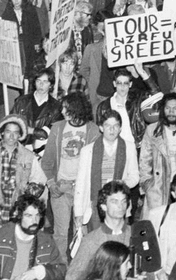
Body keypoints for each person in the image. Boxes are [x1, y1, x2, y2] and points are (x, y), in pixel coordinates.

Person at [41, 92, 101, 257]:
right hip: (61, 187)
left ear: (76, 109)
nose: (62, 111)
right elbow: (46, 161)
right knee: (60, 232)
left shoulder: (93, 130)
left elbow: (96, 165)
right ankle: (60, 267)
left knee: (81, 231)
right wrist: (52, 184)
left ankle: (80, 267)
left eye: (66, 108)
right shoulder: (58, 128)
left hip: (82, 190)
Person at [74, 109, 139, 232]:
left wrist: (122, 183)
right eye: (108, 126)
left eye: (115, 126)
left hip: (119, 204)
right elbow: (80, 183)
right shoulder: (88, 151)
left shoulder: (129, 148)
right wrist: (78, 212)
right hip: (94, 206)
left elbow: (135, 176)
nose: (112, 130)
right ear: (101, 128)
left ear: (120, 128)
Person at [0, 194, 66, 280]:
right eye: (29, 216)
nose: (34, 221)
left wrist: (38, 272)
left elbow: (61, 270)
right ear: (19, 216)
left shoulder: (46, 241)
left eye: (37, 215)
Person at [67, 181, 134, 280]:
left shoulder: (136, 234)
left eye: (123, 201)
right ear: (103, 206)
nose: (120, 206)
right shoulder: (91, 241)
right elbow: (72, 276)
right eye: (114, 201)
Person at [2, 0, 42, 78]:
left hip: (28, 42)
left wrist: (37, 42)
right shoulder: (7, 12)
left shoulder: (30, 10)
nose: (16, 2)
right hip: (15, 43)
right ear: (10, 0)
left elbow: (36, 27)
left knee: (29, 66)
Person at [10, 68, 61, 135]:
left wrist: (32, 131)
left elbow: (53, 132)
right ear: (34, 82)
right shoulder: (21, 101)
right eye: (38, 81)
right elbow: (11, 122)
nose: (41, 84)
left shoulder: (56, 106)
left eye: (45, 82)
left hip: (42, 144)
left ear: (51, 85)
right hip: (21, 141)